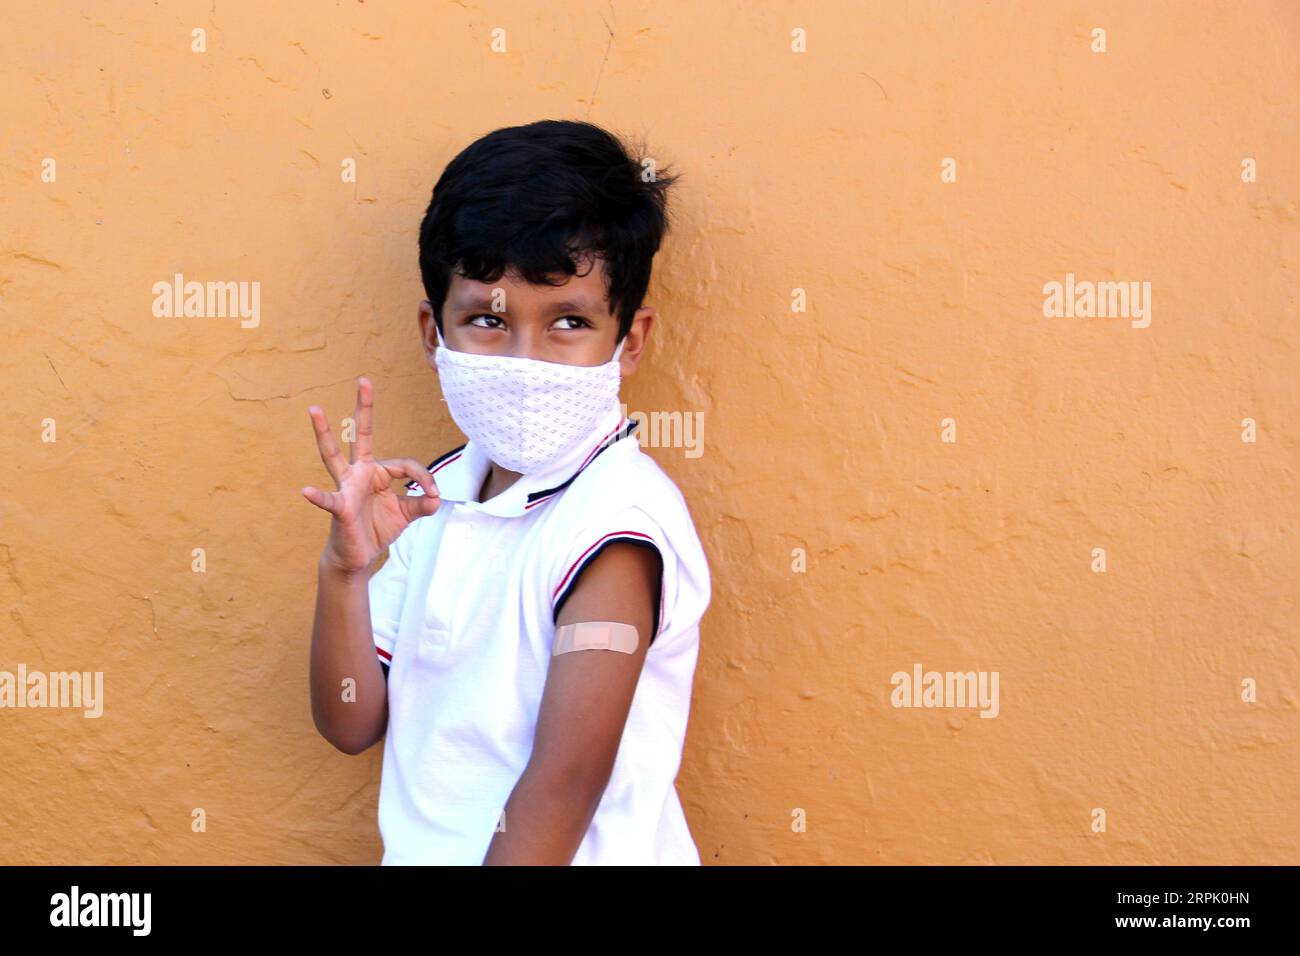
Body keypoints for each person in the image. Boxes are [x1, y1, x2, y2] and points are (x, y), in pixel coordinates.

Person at [303, 119, 711, 865]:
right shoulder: (434, 496)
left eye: (569, 321)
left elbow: (562, 786)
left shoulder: (617, 527)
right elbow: (352, 723)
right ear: (435, 332)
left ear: (632, 339)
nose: (527, 359)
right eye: (489, 319)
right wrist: (345, 575)